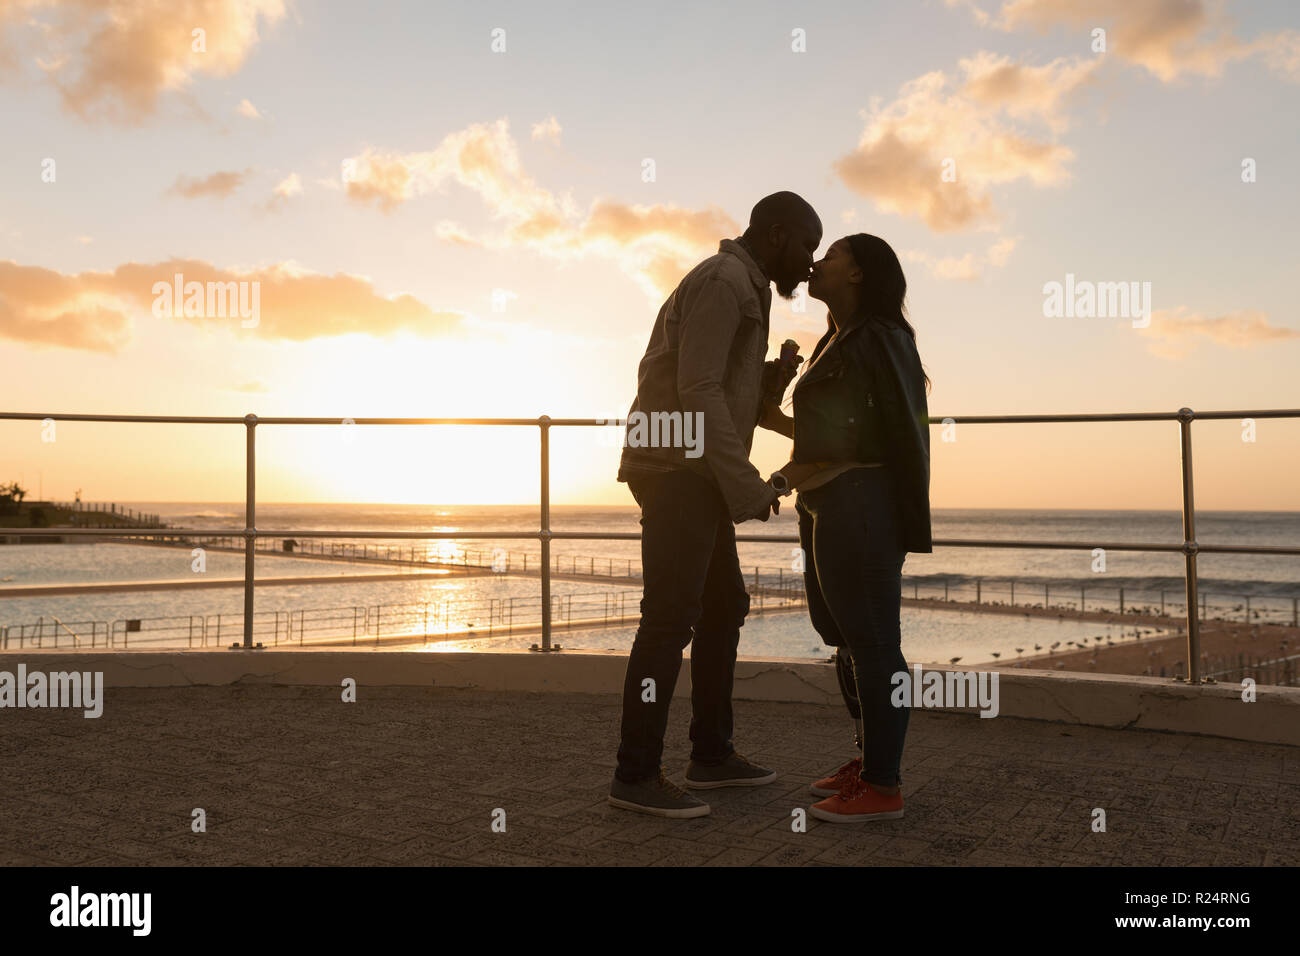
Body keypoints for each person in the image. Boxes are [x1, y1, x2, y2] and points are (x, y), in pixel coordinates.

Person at [608, 191, 823, 818]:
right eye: (808, 246)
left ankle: (710, 756)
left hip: (692, 468)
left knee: (724, 604)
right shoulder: (727, 282)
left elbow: (720, 392)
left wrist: (770, 387)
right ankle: (635, 774)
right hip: (676, 468)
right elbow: (695, 389)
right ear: (778, 234)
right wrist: (749, 487)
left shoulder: (744, 287)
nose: (810, 265)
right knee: (670, 618)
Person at [761, 233, 932, 822]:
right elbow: (825, 436)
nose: (817, 262)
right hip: (828, 501)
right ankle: (869, 760)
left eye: (832, 255)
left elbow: (862, 440)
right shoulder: (836, 340)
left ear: (859, 274)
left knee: (876, 642)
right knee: (842, 634)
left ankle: (884, 787)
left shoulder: (879, 339)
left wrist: (777, 483)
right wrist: (774, 415)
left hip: (861, 502)